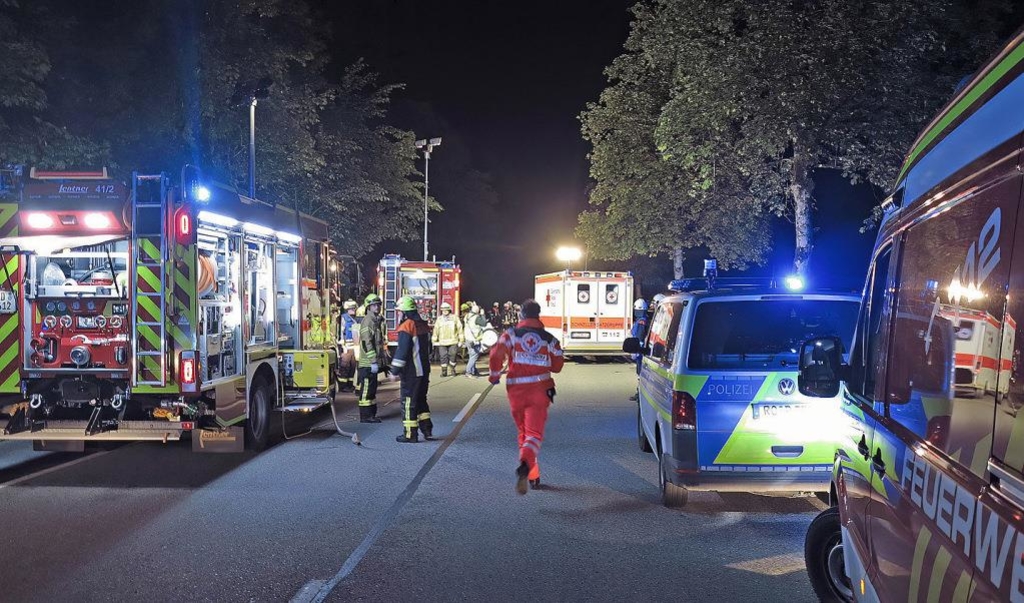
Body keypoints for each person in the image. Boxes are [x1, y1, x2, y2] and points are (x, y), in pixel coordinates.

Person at [489, 299, 564, 495]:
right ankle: (526, 467)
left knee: (523, 432)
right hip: (540, 391)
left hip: (516, 392)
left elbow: (496, 353)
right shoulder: (550, 339)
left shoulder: (511, 334)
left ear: (521, 315)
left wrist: (494, 375)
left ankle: (532, 472)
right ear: (538, 315)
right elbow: (557, 366)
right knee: (533, 435)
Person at [389, 295, 433, 442]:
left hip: (412, 372)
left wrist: (394, 371)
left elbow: (402, 351)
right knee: (421, 400)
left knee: (408, 402)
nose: (398, 314)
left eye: (400, 311)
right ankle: (427, 430)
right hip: (424, 371)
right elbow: (430, 349)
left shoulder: (407, 326)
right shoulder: (423, 325)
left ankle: (410, 434)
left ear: (405, 312)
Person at [357, 294, 386, 423]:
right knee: (366, 391)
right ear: (368, 307)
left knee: (372, 390)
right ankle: (365, 416)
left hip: (372, 363)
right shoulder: (368, 321)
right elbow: (366, 343)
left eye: (378, 304)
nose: (377, 307)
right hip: (367, 364)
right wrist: (373, 360)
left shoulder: (376, 321)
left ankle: (371, 414)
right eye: (374, 305)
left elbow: (378, 343)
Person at [432, 302, 463, 377]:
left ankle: (452, 369)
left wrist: (461, 340)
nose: (444, 311)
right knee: (443, 356)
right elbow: (436, 330)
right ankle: (444, 372)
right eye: (443, 310)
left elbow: (460, 329)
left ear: (449, 310)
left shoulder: (455, 318)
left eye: (446, 310)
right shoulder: (439, 319)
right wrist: (434, 340)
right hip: (442, 342)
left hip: (453, 341)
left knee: (453, 355)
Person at [628, 298, 649, 401]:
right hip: (640, 351)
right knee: (639, 372)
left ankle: (639, 393)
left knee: (640, 373)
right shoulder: (642, 320)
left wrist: (636, 350)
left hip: (639, 352)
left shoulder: (641, 322)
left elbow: (640, 337)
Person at [337, 300, 359, 392]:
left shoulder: (355, 319)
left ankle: (350, 385)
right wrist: (343, 346)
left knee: (352, 366)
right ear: (348, 309)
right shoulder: (343, 318)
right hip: (346, 347)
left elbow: (356, 334)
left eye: (354, 308)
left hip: (354, 347)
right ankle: (343, 386)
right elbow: (341, 333)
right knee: (345, 366)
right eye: (352, 308)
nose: (354, 310)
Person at [463, 302, 487, 377]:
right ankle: (468, 372)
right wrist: (482, 314)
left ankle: (474, 371)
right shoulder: (477, 317)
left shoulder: (467, 316)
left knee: (471, 355)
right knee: (474, 356)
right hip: (475, 339)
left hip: (467, 338)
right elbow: (484, 323)